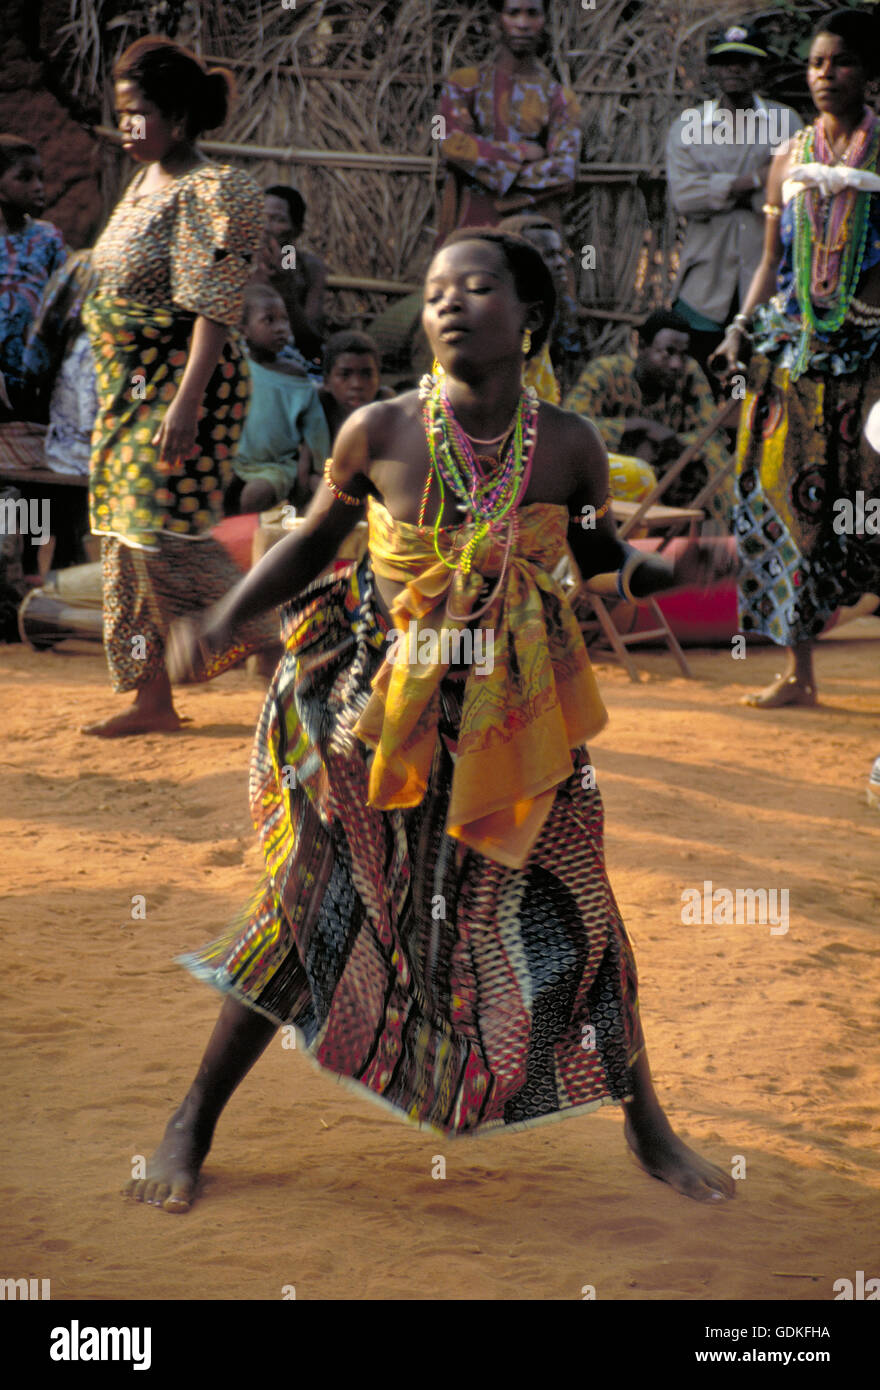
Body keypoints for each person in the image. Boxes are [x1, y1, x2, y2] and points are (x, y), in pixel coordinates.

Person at [122, 228, 737, 1214]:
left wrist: (673, 571)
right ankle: (192, 1117)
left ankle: (650, 1127)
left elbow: (605, 573)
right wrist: (224, 619)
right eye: (435, 289)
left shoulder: (571, 444)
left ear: (528, 315)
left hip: (519, 722)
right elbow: (315, 543)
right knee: (311, 911)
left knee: (581, 923)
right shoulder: (379, 429)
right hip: (375, 713)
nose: (448, 302)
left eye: (476, 286)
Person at [79, 36, 274, 737]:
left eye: (140, 113)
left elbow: (213, 304)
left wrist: (186, 403)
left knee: (158, 529)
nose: (127, 125)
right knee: (125, 540)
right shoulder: (144, 181)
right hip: (130, 389)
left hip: (183, 387)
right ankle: (152, 697)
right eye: (122, 113)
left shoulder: (213, 190)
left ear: (182, 118)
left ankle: (286, 642)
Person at [713, 9, 880, 708]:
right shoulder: (788, 157)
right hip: (791, 356)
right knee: (784, 505)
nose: (824, 74)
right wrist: (740, 324)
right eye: (815, 63)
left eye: (839, 61)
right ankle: (799, 673)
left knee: (867, 507)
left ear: (869, 74)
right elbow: (770, 263)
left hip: (869, 356)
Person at [666, 24, 801, 384]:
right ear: (714, 69)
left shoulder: (785, 122)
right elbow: (685, 199)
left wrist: (720, 192)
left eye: (745, 62)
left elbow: (792, 197)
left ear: (761, 69)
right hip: (704, 287)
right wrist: (758, 179)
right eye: (726, 62)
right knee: (703, 382)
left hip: (767, 284)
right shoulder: (688, 127)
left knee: (762, 389)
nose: (735, 70)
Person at [565, 310, 735, 520]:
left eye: (682, 354)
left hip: (668, 473)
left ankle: (735, 533)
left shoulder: (688, 375)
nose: (676, 364)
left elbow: (710, 434)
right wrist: (638, 427)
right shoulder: (606, 372)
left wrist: (669, 441)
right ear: (642, 346)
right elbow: (571, 426)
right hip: (610, 475)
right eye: (667, 352)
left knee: (715, 459)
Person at [437, 0, 581, 239]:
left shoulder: (559, 98)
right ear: (497, 20)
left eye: (532, 13)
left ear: (544, 21)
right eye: (513, 13)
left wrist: (481, 164)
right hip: (471, 229)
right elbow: (450, 144)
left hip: (535, 233)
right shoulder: (463, 84)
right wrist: (522, 153)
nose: (523, 24)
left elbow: (565, 171)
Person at [225, 283, 330, 515]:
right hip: (233, 460)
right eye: (269, 320)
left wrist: (321, 469)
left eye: (284, 320)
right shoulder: (236, 368)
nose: (281, 328)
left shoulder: (296, 377)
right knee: (216, 489)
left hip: (275, 466)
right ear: (244, 329)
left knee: (254, 496)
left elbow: (315, 428)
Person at [0, 135, 66, 415]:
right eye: (25, 178)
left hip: (34, 373)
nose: (38, 187)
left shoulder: (47, 237)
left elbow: (66, 297)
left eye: (40, 177)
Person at [257, 184, 327, 368]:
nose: (265, 227)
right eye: (261, 217)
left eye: (277, 219)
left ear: (296, 230)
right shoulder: (240, 263)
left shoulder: (307, 267)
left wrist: (286, 292)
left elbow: (311, 343)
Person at [318, 330, 387, 442]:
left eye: (366, 374)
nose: (357, 384)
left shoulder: (389, 410)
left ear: (379, 380)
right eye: (345, 374)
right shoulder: (316, 409)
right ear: (327, 382)